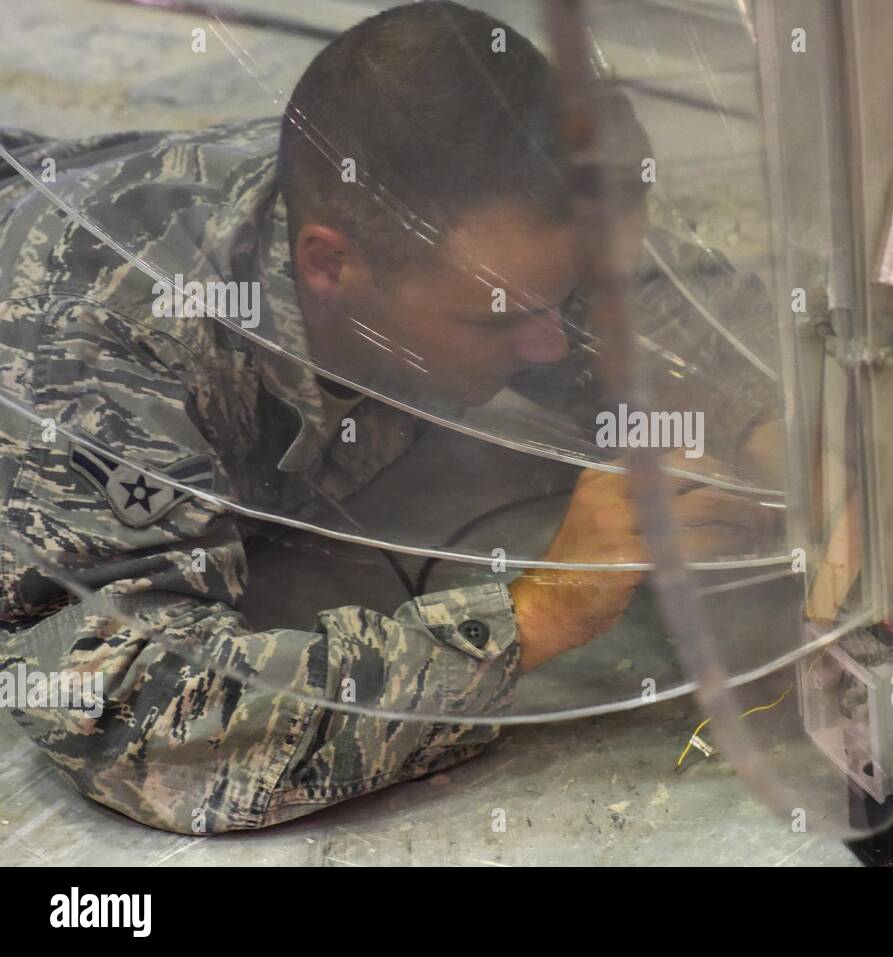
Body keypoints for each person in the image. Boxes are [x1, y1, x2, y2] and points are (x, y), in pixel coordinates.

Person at [0, 1, 781, 832]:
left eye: (558, 299)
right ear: (331, 264)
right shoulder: (96, 348)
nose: (553, 345)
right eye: (497, 318)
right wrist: (535, 612)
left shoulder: (439, 217)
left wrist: (769, 430)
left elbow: (669, 307)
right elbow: (137, 718)